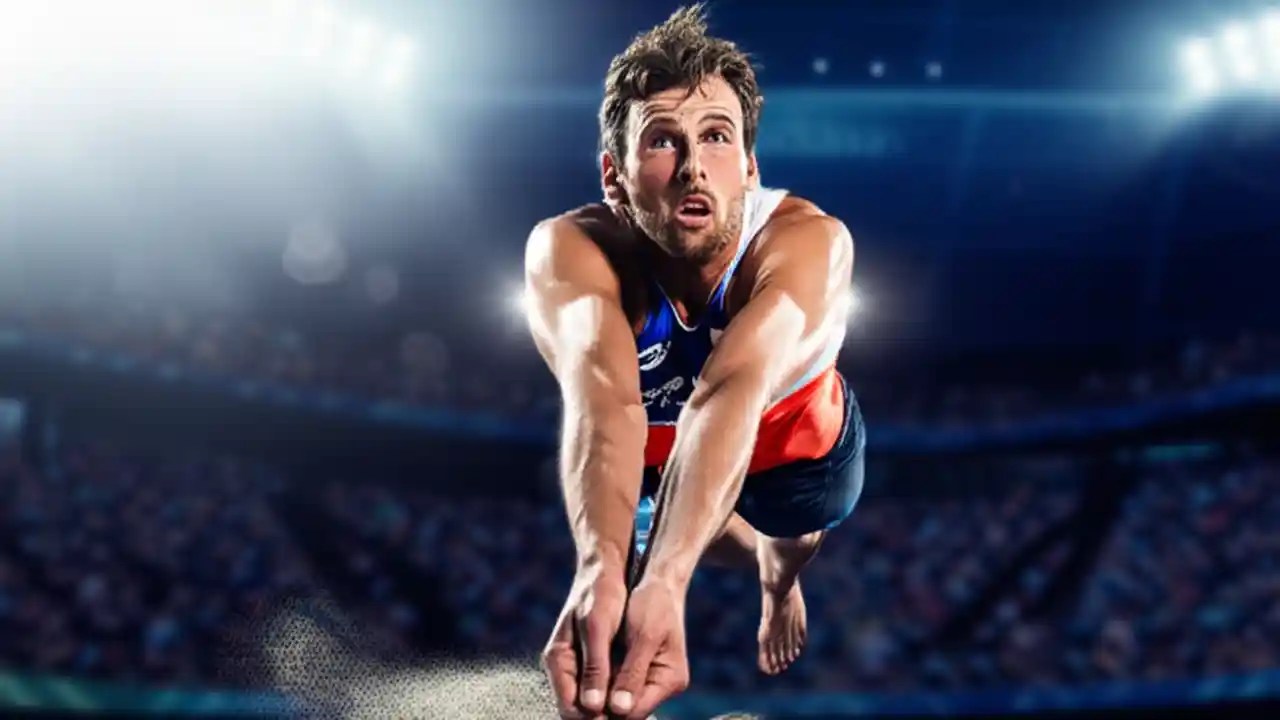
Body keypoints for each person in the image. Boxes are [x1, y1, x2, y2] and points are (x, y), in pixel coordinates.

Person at [523, 5, 865, 719]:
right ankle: (739, 559)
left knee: (787, 540)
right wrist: (601, 572)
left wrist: (665, 583)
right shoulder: (570, 250)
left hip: (792, 445)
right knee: (657, 529)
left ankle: (779, 581)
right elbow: (604, 399)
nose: (692, 169)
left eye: (716, 138)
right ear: (614, 178)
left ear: (748, 166)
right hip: (660, 433)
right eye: (662, 142)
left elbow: (730, 389)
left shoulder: (808, 242)